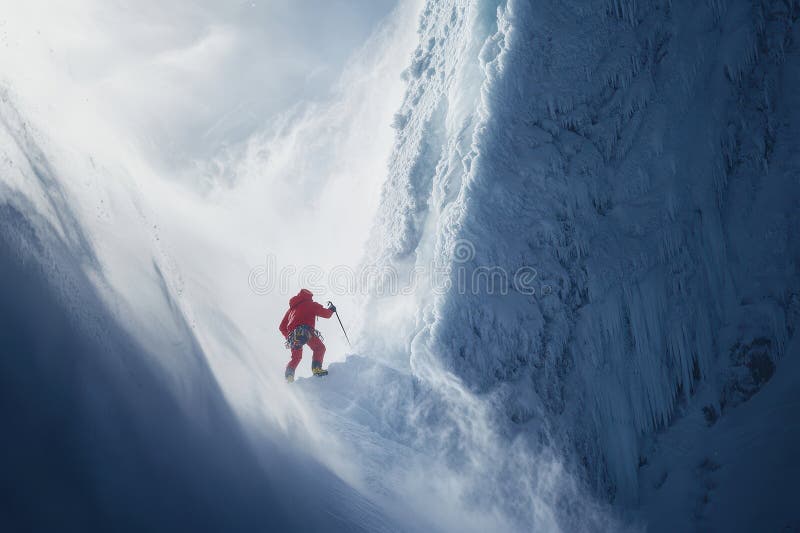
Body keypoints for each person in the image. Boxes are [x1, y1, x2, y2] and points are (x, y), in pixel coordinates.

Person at [279, 288, 336, 383]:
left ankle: (289, 375)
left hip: (293, 335)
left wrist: (289, 337)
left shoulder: (291, 309)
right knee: (319, 348)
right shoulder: (311, 304)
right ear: (310, 296)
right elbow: (326, 314)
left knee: (296, 357)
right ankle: (316, 369)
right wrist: (331, 310)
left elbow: (282, 327)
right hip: (306, 331)